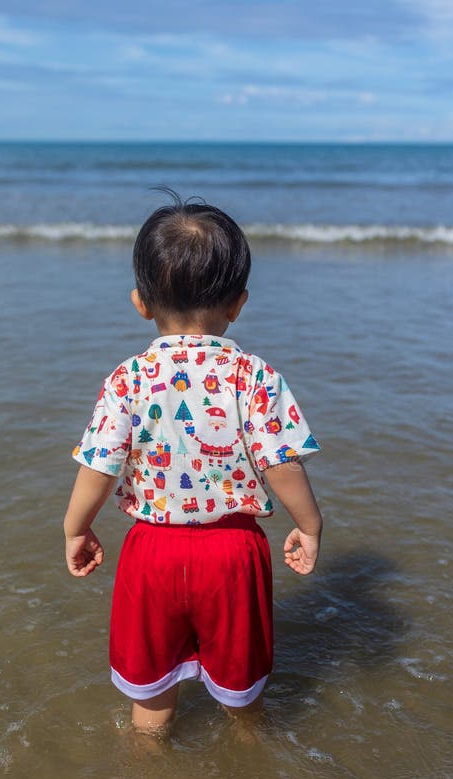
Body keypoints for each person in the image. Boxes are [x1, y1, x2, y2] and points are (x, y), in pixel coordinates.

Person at [64, 193, 322, 736]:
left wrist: (76, 527)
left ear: (140, 301)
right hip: (232, 552)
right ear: (238, 304)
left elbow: (100, 463)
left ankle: (149, 775)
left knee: (152, 697)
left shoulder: (128, 378)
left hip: (151, 554)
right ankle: (252, 754)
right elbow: (281, 460)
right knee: (240, 692)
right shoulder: (254, 375)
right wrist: (308, 523)